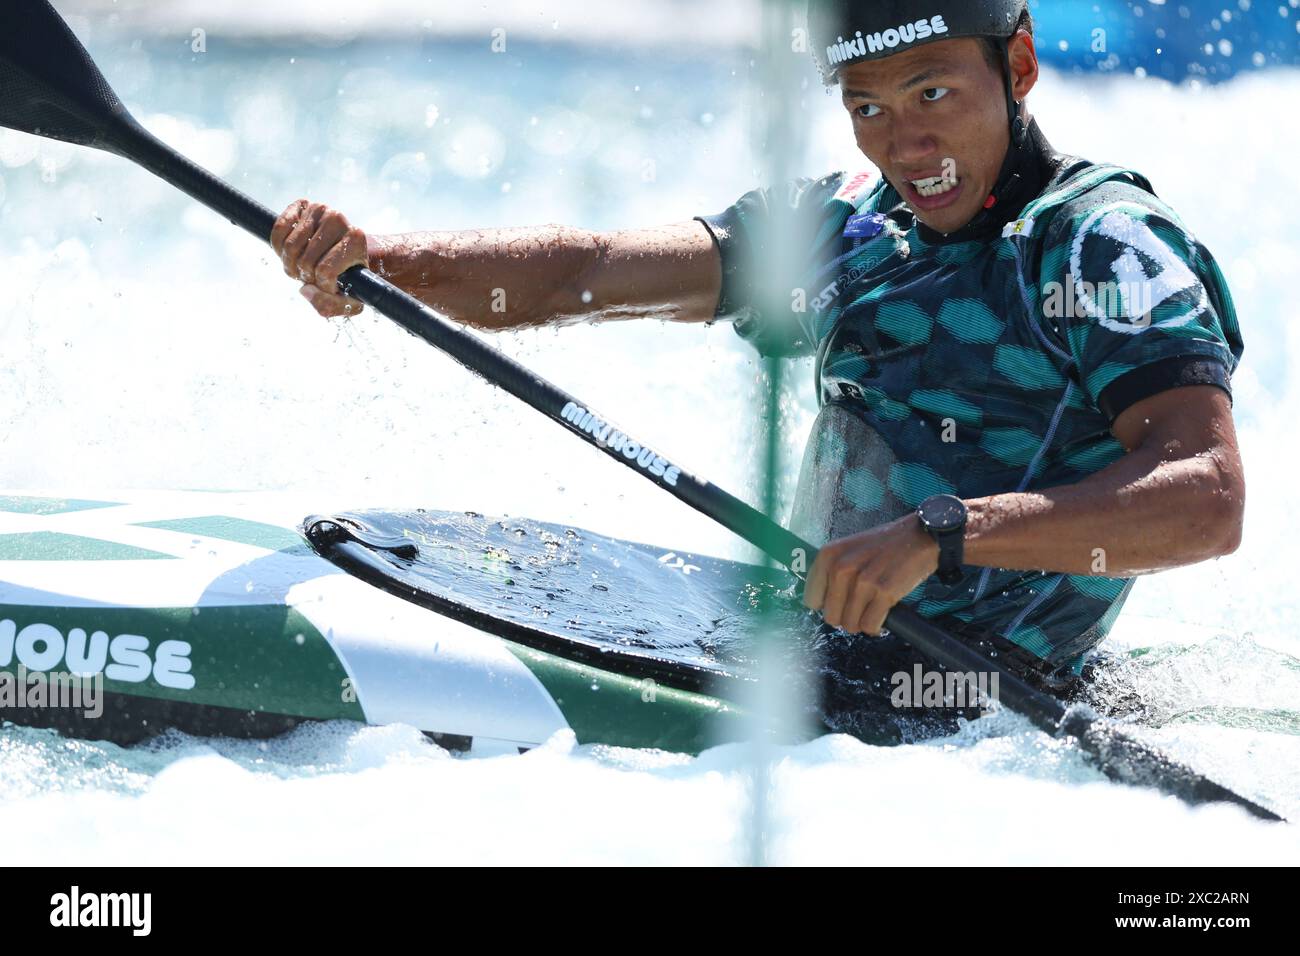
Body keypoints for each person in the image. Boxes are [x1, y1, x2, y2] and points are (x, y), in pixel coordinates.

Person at [271, 0, 1245, 729]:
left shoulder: (1098, 249)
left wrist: (944, 530)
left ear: (1020, 62)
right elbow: (592, 270)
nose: (903, 142)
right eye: (864, 104)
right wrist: (382, 264)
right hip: (812, 651)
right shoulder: (844, 227)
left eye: (932, 93)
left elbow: (1204, 496)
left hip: (984, 697)